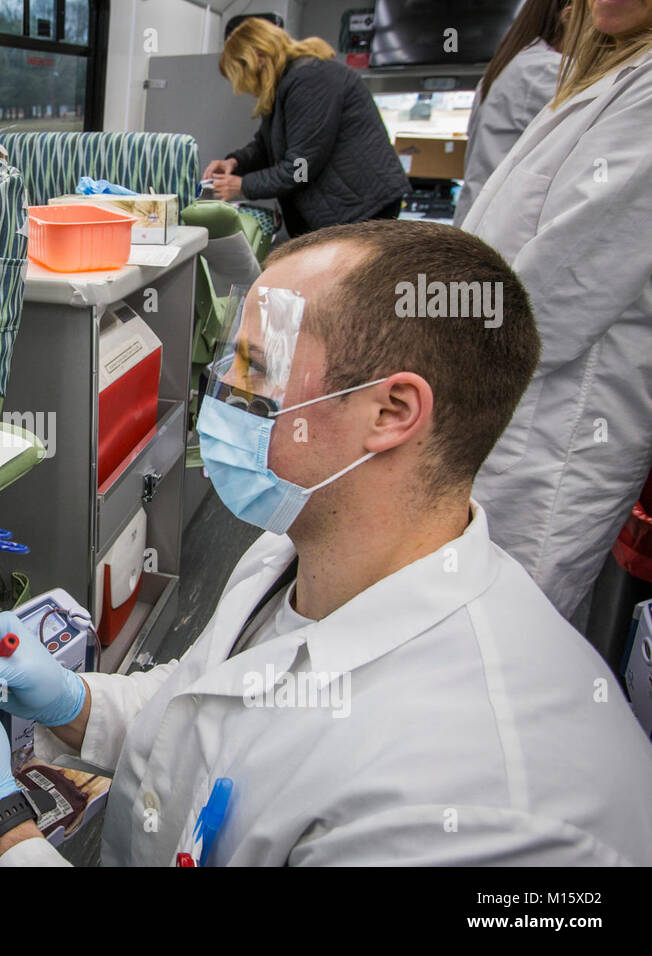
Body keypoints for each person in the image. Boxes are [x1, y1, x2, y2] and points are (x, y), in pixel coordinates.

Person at [0, 220, 652, 866]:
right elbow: (208, 704)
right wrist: (75, 702)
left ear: (390, 412)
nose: (218, 393)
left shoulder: (478, 807)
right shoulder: (298, 546)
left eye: (252, 368)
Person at [461, 0, 652, 621]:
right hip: (508, 389)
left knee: (505, 623)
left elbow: (558, 290)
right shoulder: (604, 78)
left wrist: (434, 335)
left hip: (558, 424)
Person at [202, 18, 410, 238]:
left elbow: (300, 170)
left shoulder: (310, 79)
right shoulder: (287, 82)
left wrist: (242, 185)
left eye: (243, 76)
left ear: (259, 57)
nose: (246, 87)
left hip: (360, 208)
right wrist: (234, 163)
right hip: (342, 205)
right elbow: (265, 145)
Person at [452, 0, 568, 227]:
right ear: (569, 16)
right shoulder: (547, 69)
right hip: (502, 221)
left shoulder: (510, 63)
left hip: (480, 213)